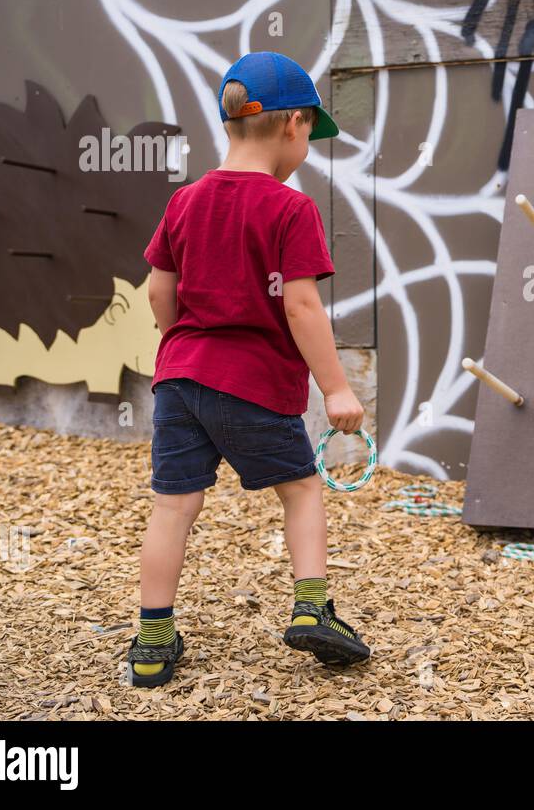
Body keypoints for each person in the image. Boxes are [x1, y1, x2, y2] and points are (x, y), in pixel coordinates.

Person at [128, 51, 369, 687]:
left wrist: (181, 341)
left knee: (174, 505)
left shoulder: (185, 202)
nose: (308, 150)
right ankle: (313, 607)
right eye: (310, 137)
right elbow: (301, 304)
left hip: (179, 381)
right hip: (253, 384)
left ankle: (152, 638)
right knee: (301, 489)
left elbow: (159, 291)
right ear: (293, 126)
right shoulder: (290, 209)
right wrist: (337, 387)